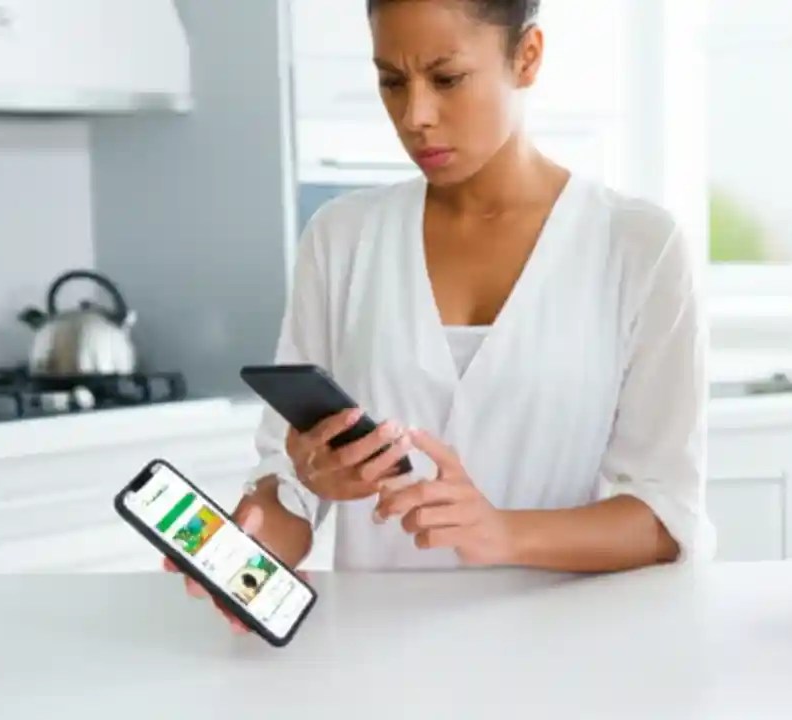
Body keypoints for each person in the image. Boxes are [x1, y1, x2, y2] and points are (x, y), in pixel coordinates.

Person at [166, 0, 717, 633]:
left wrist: (503, 533)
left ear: (527, 56)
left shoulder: (638, 244)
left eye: (447, 78)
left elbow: (666, 517)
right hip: (374, 660)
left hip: (564, 657)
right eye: (392, 82)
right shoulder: (341, 237)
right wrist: (251, 544)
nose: (414, 116)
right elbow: (289, 486)